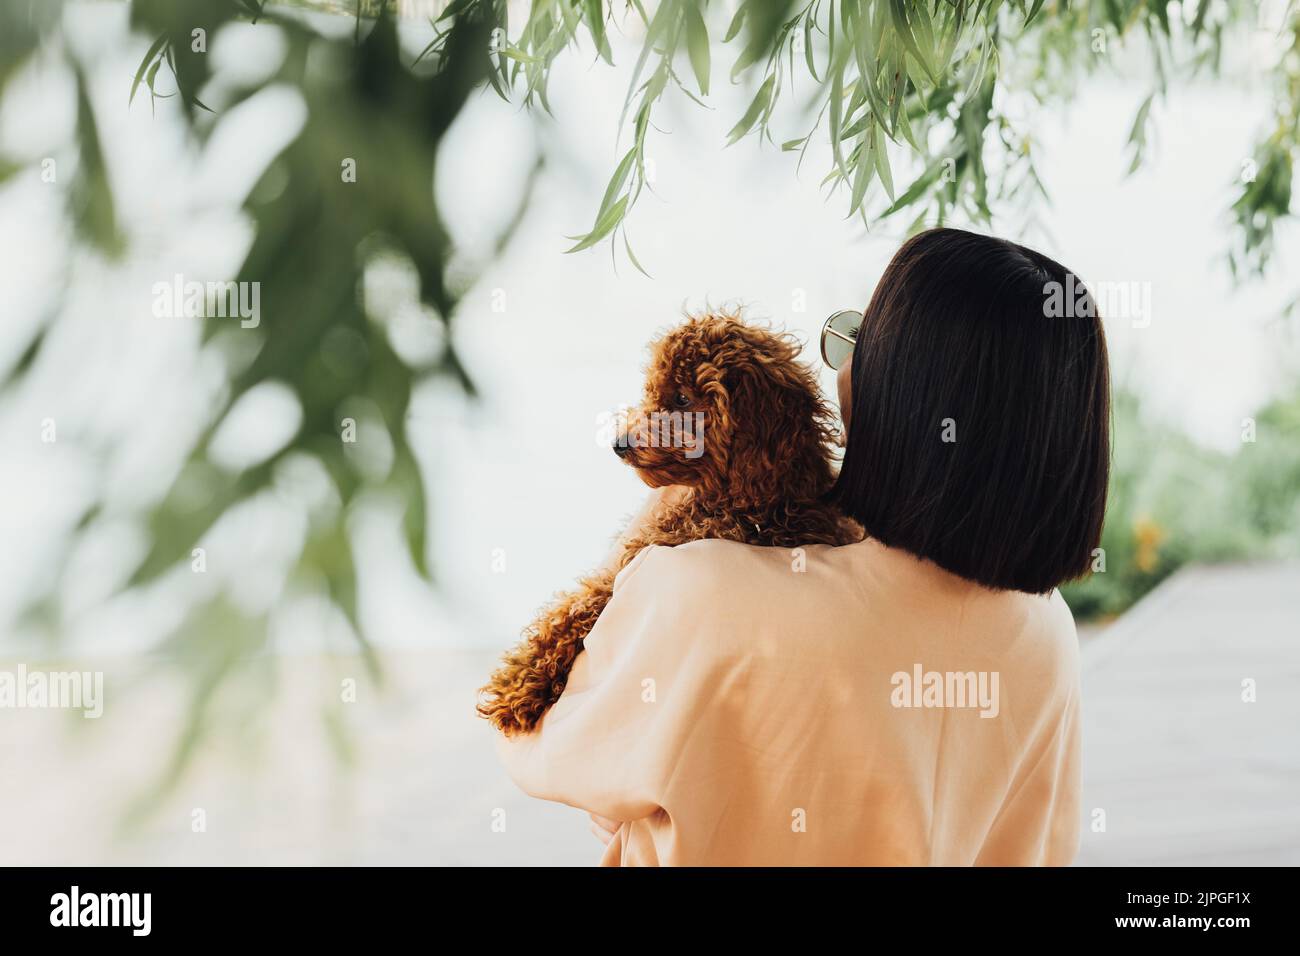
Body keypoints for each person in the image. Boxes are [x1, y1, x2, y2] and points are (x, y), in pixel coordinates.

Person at [495, 227, 1111, 865]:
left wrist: (675, 505)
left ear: (902, 394)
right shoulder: (1048, 634)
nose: (843, 365)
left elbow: (534, 733)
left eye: (860, 342)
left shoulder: (704, 588)